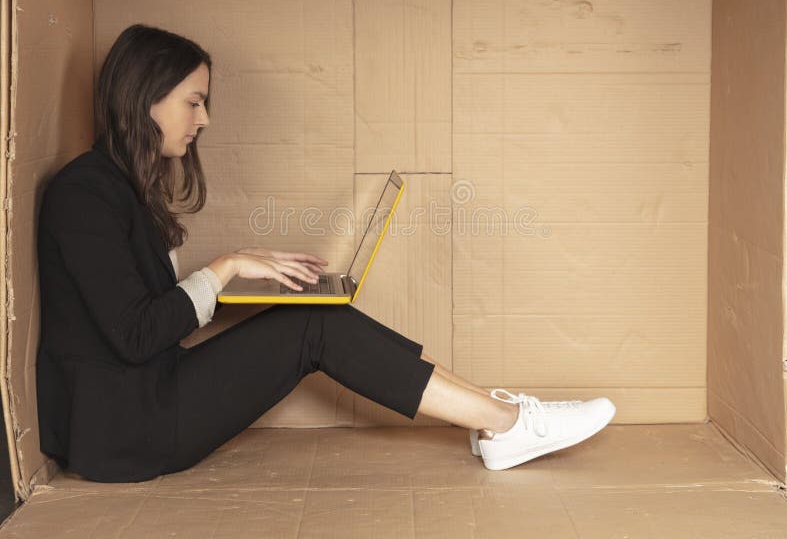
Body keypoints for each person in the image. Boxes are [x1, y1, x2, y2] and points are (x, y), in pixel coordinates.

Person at [35, 24, 615, 483]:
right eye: (194, 102)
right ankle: (508, 423)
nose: (204, 120)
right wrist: (226, 267)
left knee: (314, 314)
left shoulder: (117, 188)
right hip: (129, 432)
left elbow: (141, 313)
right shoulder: (83, 194)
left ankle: (497, 416)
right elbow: (136, 334)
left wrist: (240, 282)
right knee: (313, 325)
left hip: (145, 403)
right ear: (146, 99)